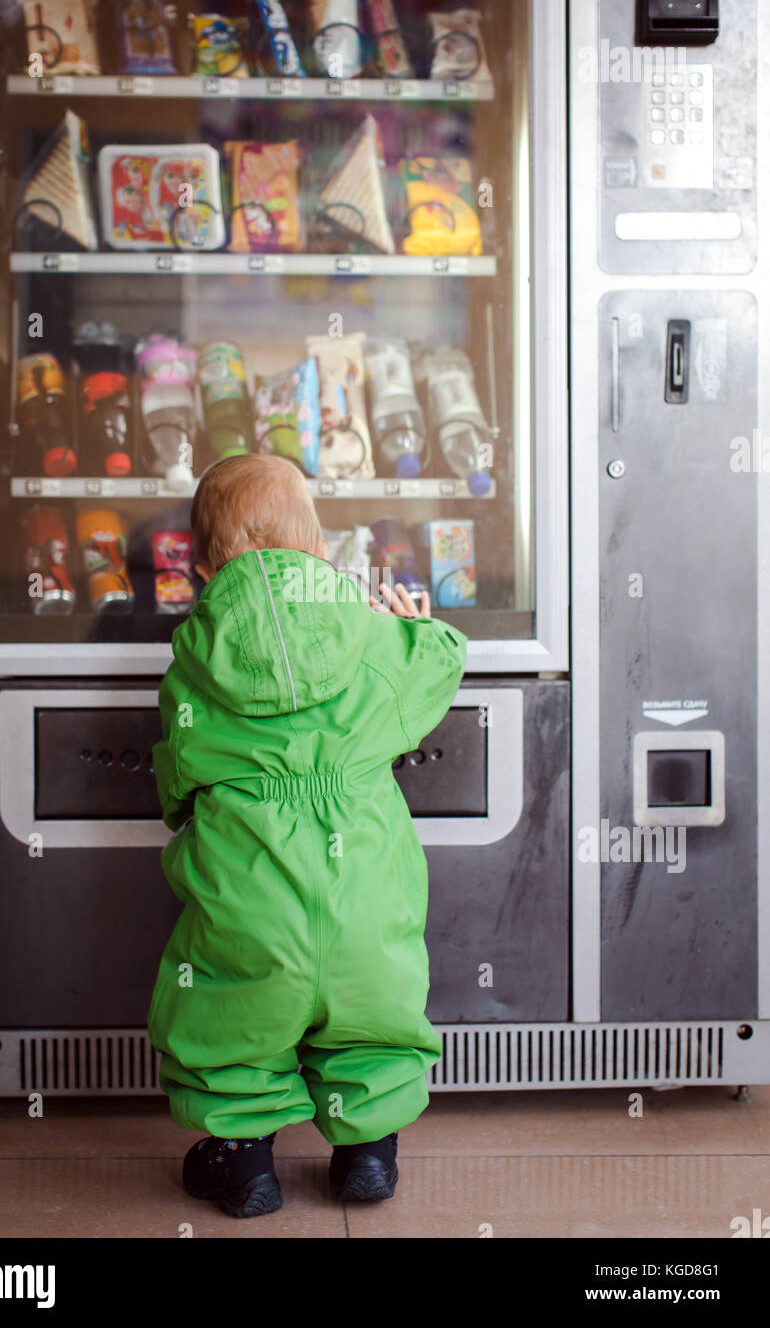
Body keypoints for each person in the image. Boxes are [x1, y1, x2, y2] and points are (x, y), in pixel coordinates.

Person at [147, 453, 467, 1217]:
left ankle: (243, 1162)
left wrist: (186, 812)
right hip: (362, 881)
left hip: (248, 890)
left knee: (231, 1011)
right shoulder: (370, 638)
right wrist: (419, 632)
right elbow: (438, 674)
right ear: (321, 548)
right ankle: (367, 1151)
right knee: (375, 1007)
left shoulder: (193, 664)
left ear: (200, 565)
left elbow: (177, 769)